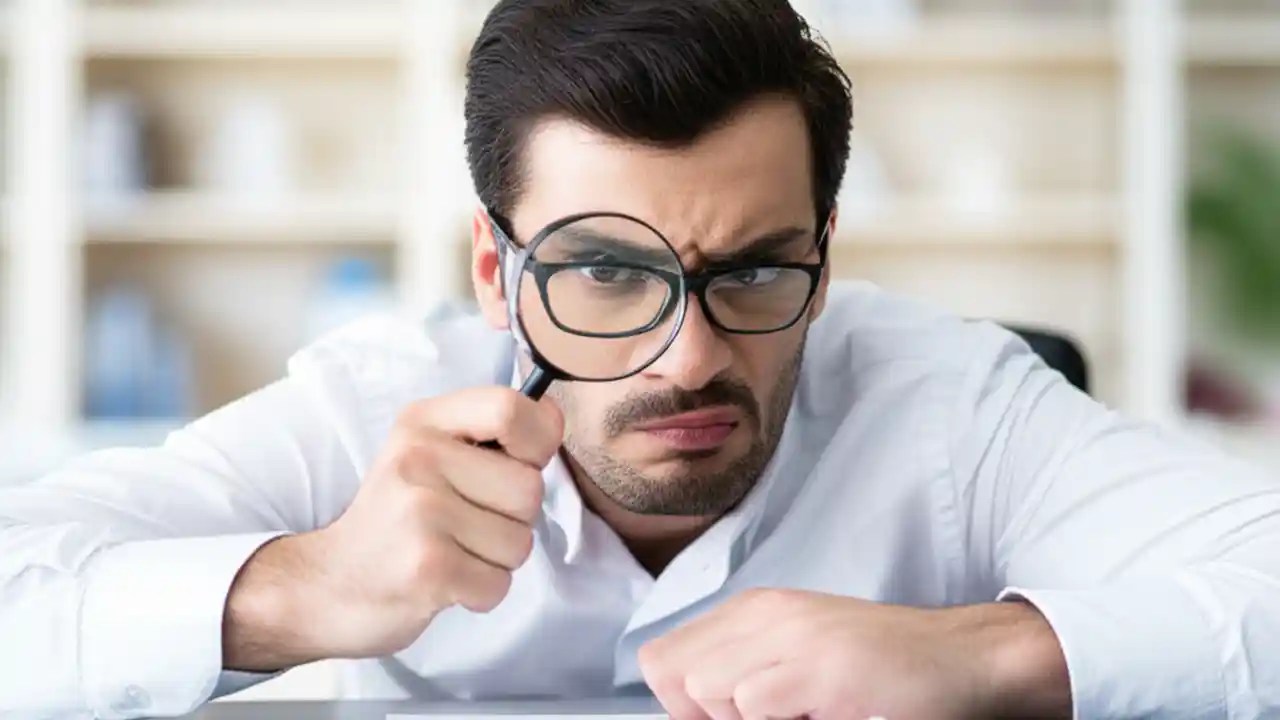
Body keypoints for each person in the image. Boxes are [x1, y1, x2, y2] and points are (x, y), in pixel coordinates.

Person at [3, 1, 1278, 718]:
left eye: (756, 271)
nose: (689, 357)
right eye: (609, 271)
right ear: (496, 272)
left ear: (824, 257)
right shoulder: (372, 404)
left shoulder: (950, 404)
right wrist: (298, 589)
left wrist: (988, 655)